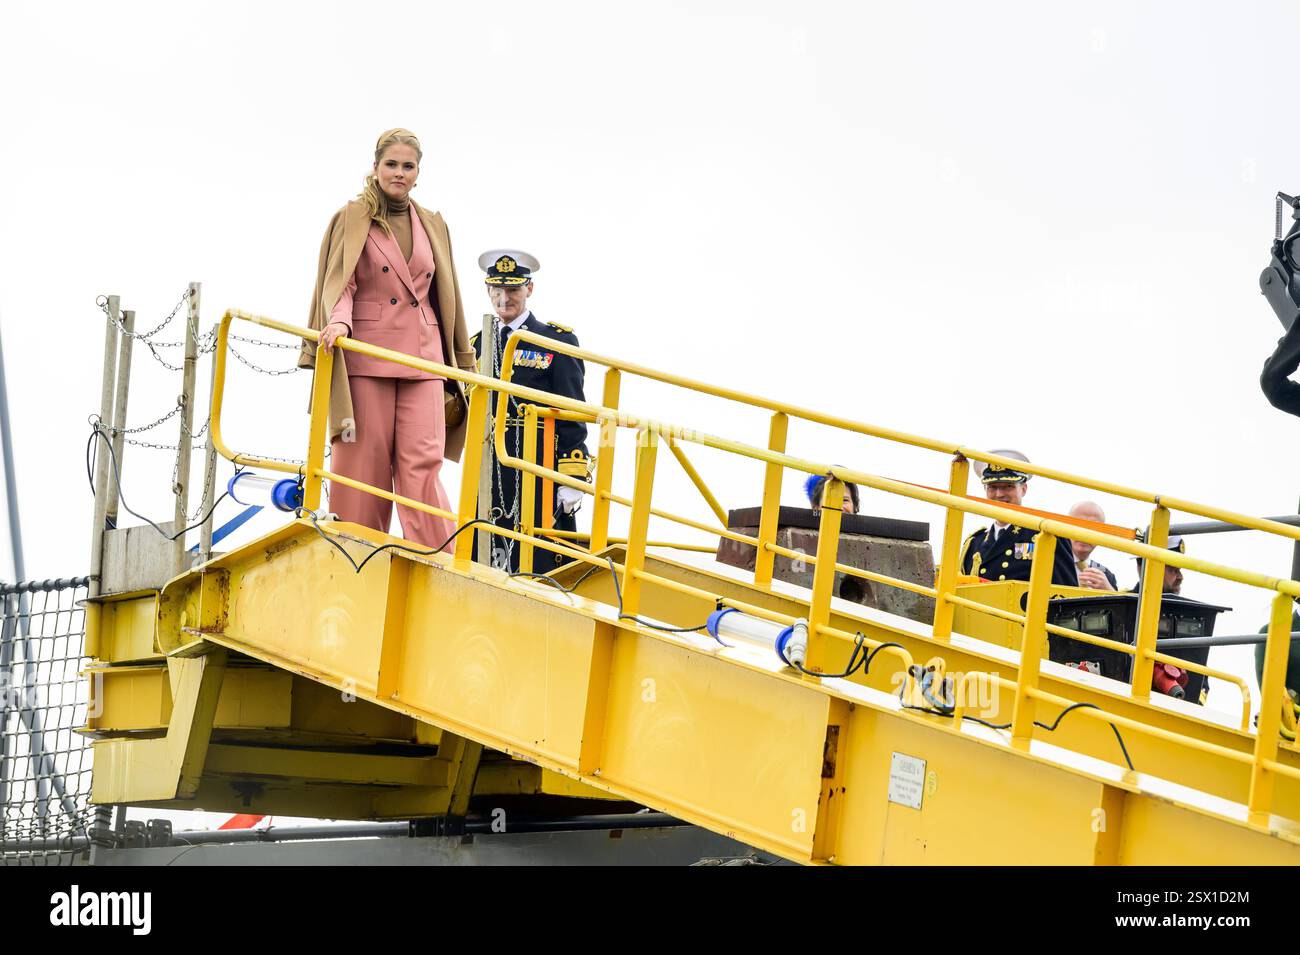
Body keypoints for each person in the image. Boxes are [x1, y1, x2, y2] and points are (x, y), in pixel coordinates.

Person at [298, 128, 477, 551]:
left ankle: (439, 562)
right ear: (375, 167)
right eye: (391, 164)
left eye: (407, 166)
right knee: (362, 470)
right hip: (367, 354)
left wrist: (462, 362)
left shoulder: (434, 223)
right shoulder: (352, 217)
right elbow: (339, 283)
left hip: (424, 358)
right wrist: (339, 323)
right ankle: (354, 555)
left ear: (418, 172)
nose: (399, 173)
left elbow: (448, 294)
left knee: (423, 467)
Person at [472, 250, 590, 574]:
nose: (504, 298)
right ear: (488, 290)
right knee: (479, 565)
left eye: (512, 290)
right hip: (489, 477)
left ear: (529, 289)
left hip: (539, 475)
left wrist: (572, 476)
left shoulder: (554, 342)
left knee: (542, 572)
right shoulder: (477, 345)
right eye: (497, 289)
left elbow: (573, 412)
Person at [959, 449, 1079, 586]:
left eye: (1008, 487)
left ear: (1023, 489)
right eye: (992, 487)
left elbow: (1064, 591)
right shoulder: (974, 543)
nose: (999, 494)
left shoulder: (1046, 535)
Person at [1068, 501, 1119, 590]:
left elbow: (1119, 604)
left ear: (1102, 534)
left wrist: (1108, 591)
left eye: (1092, 528)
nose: (1084, 533)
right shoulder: (1049, 562)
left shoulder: (1107, 576)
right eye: (1078, 525)